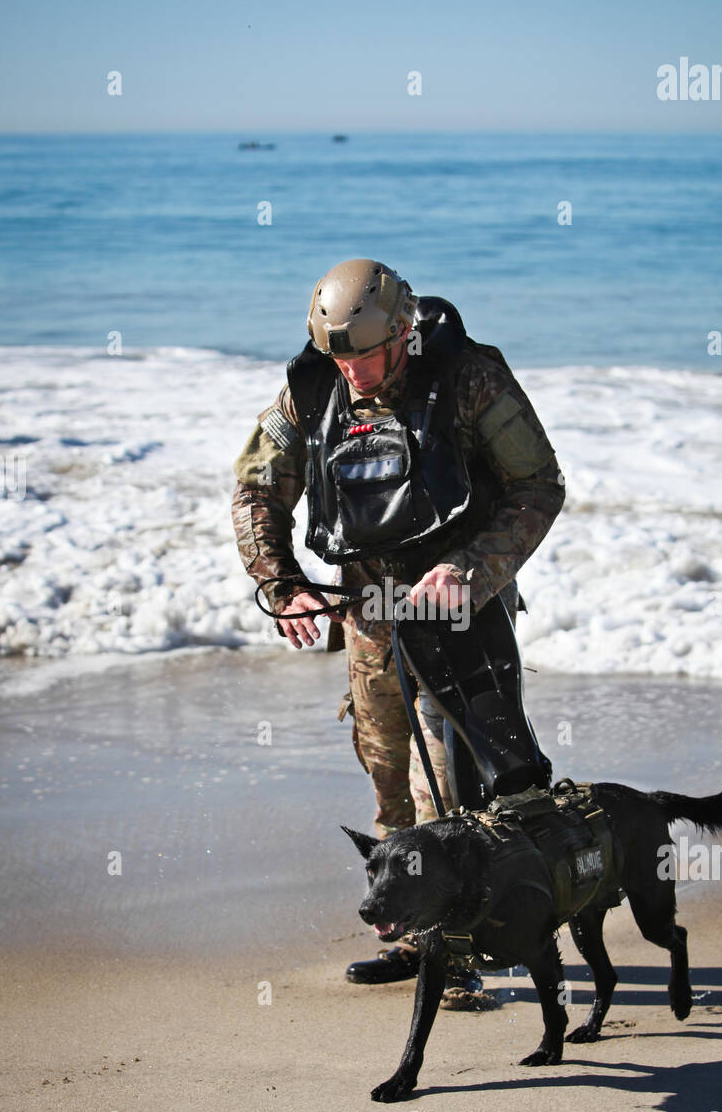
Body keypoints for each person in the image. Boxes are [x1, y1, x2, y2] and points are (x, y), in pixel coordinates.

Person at [232, 259, 565, 990]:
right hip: (369, 616)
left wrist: (473, 569)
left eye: (367, 355)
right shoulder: (312, 389)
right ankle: (419, 933)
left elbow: (540, 484)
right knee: (386, 772)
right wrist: (280, 584)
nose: (353, 371)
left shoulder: (469, 380)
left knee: (448, 782)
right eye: (339, 356)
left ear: (405, 333)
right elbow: (256, 489)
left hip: (457, 610)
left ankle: (463, 943)